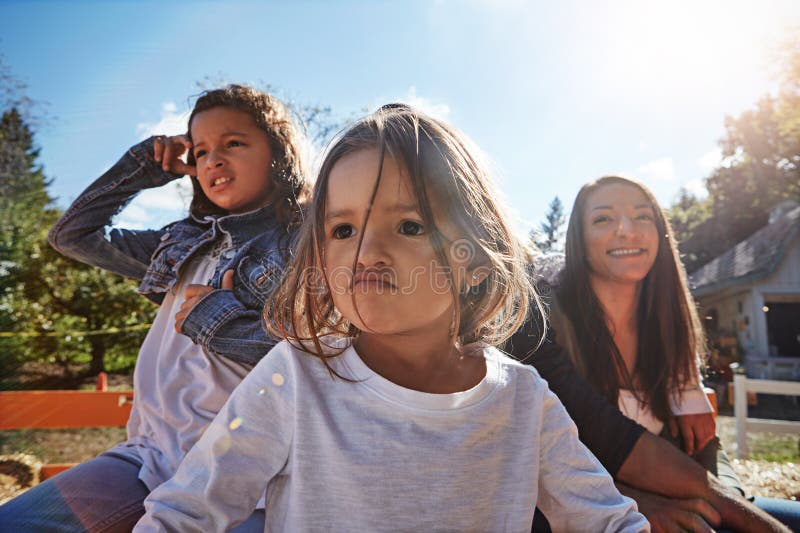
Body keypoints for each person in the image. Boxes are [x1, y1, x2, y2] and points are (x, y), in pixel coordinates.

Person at [133, 105, 648, 532]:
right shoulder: (295, 377)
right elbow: (187, 512)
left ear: (474, 260)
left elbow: (607, 521)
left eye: (409, 224)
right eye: (342, 230)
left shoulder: (523, 399)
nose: (367, 252)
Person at [0, 84, 309, 533]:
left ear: (279, 152)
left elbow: (324, 362)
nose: (213, 160)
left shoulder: (305, 244)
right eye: (201, 151)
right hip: (149, 456)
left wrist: (219, 324)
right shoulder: (179, 241)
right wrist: (143, 165)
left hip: (250, 471)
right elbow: (72, 236)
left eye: (233, 143)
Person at [508, 175, 794, 532]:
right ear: (578, 241)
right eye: (603, 219)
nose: (627, 230)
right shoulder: (544, 322)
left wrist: (730, 512)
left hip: (695, 503)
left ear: (661, 233)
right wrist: (633, 503)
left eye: (643, 217)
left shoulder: (670, 330)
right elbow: (534, 457)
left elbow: (706, 447)